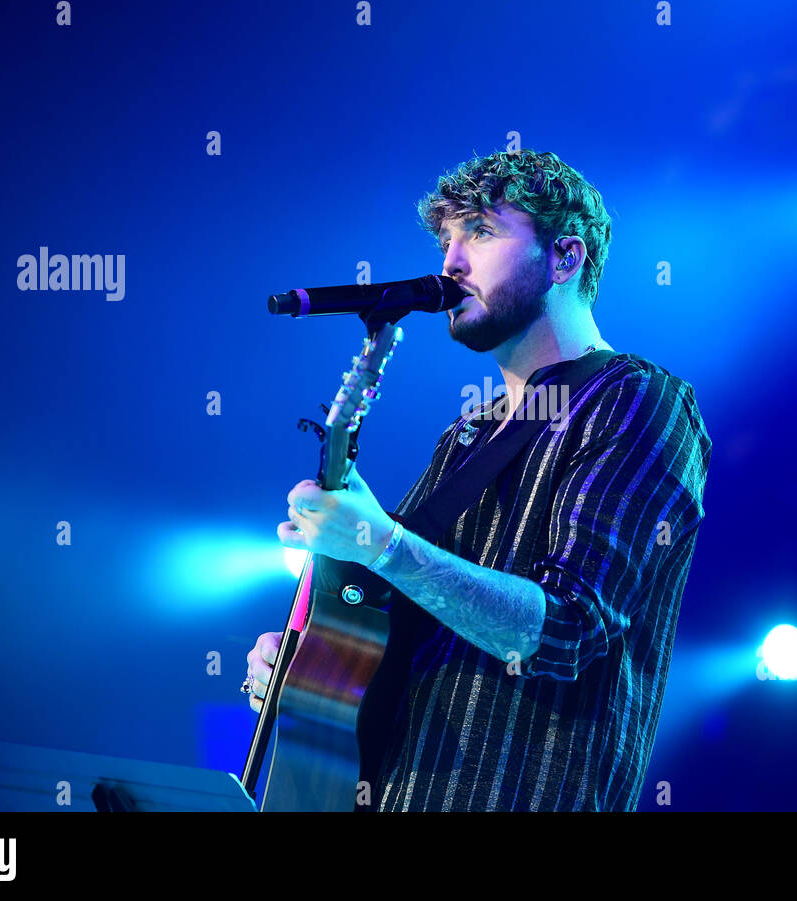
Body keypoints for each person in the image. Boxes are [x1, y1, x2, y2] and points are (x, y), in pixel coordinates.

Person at [246, 148, 711, 811]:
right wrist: (312, 668)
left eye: (482, 232)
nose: (451, 262)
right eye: (447, 238)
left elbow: (567, 628)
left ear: (565, 258)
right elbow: (394, 619)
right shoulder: (465, 434)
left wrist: (380, 543)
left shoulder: (638, 399)